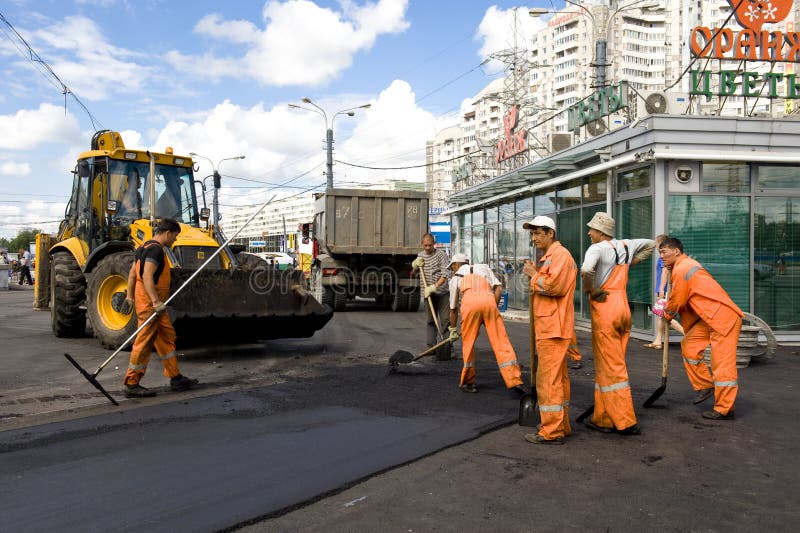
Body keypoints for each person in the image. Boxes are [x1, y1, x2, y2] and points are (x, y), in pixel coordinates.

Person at [580, 212, 655, 436]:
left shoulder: (596, 248)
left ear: (601, 232)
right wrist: (632, 262)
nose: (589, 232)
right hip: (623, 305)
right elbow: (652, 244)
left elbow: (585, 270)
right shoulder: (626, 245)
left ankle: (625, 421)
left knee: (612, 367)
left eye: (592, 229)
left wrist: (591, 289)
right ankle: (603, 418)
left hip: (606, 308)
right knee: (608, 364)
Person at [656, 236, 743, 420]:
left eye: (664, 252)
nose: (661, 256)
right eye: (660, 253)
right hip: (708, 318)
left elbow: (678, 298)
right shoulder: (680, 267)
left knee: (722, 366)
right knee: (689, 345)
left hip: (722, 318)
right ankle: (705, 385)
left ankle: (724, 409)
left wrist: (667, 314)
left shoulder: (683, 268)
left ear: (677, 251)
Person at [121, 218, 198, 398]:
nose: (175, 240)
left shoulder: (143, 248)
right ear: (167, 233)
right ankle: (132, 384)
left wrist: (130, 296)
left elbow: (133, 274)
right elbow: (147, 276)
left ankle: (176, 378)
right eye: (175, 236)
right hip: (151, 306)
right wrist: (155, 302)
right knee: (144, 342)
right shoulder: (156, 250)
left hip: (154, 306)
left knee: (167, 337)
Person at [520, 215, 577, 445]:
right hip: (551, 326)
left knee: (549, 381)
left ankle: (551, 431)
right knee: (558, 379)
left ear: (550, 233)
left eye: (537, 233)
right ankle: (560, 425)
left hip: (553, 327)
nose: (533, 238)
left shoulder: (560, 256)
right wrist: (538, 272)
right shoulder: (551, 258)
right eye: (532, 234)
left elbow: (554, 287)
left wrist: (534, 275)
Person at [447, 253, 525, 398]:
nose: (452, 269)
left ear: (456, 265)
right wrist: (490, 310)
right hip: (489, 302)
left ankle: (469, 383)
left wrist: (452, 329)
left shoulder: (456, 277)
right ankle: (515, 381)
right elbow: (499, 289)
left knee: (468, 345)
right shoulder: (484, 267)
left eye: (452, 266)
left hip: (470, 306)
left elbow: (453, 308)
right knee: (502, 343)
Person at [411, 233, 452, 361]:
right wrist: (415, 266)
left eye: (430, 245)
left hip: (442, 293)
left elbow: (446, 273)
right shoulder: (420, 255)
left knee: (445, 321)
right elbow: (414, 273)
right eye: (425, 245)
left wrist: (434, 286)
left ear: (434, 244)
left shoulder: (441, 255)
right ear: (422, 244)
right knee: (430, 321)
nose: (428, 247)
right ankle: (431, 348)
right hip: (428, 294)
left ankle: (447, 347)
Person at [644, 234, 684, 349]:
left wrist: (661, 289)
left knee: (663, 315)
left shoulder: (664, 258)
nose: (656, 246)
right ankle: (658, 339)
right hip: (663, 290)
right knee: (660, 315)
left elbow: (665, 272)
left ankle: (686, 333)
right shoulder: (663, 257)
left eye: (656, 243)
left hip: (665, 291)